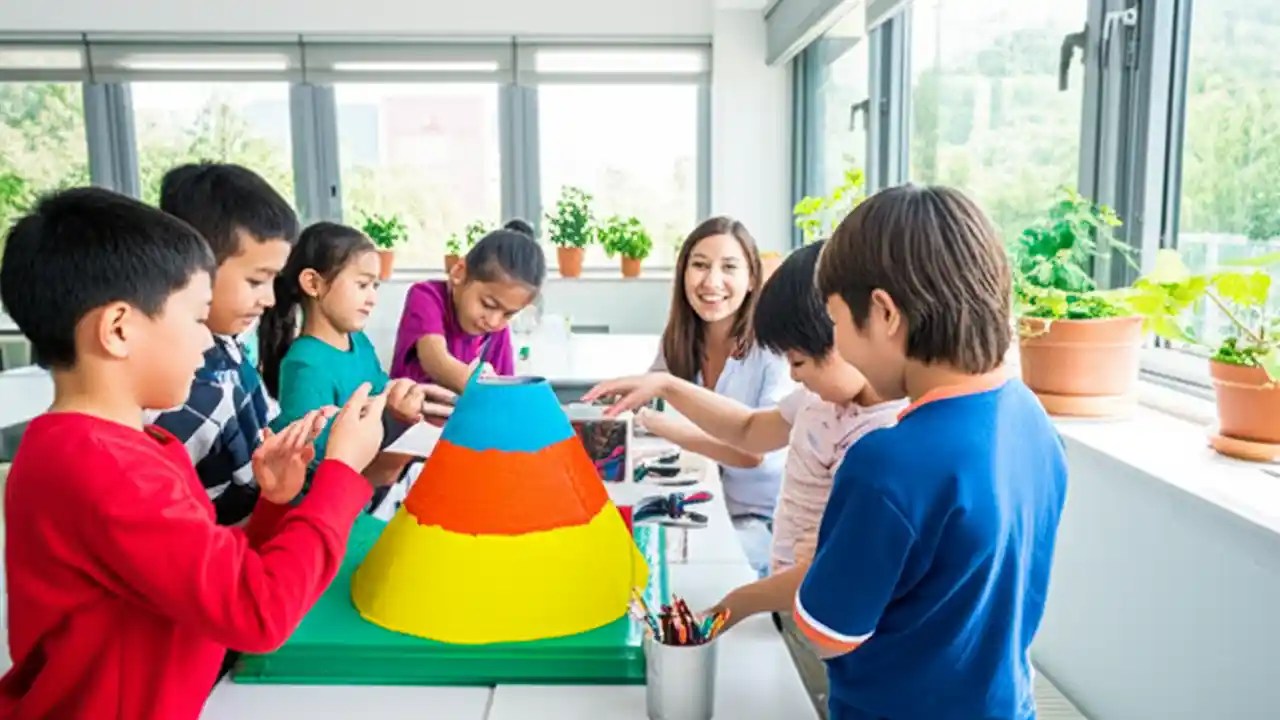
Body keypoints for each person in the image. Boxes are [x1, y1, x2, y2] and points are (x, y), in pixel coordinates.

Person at [0, 187, 393, 719]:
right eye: (195, 319)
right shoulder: (103, 467)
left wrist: (275, 505)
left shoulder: (136, 447)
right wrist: (345, 472)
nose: (208, 345)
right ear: (119, 329)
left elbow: (200, 576)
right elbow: (258, 612)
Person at [795, 185, 1068, 720]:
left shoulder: (888, 462)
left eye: (834, 323)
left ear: (884, 313)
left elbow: (825, 634)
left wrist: (818, 561)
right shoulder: (1031, 417)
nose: (838, 347)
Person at [583, 241, 904, 695]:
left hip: (830, 625)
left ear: (849, 332)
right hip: (792, 605)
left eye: (798, 361)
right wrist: (667, 386)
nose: (793, 375)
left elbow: (830, 570)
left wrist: (733, 605)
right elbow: (750, 428)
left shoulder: (882, 440)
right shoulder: (821, 400)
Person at [257, 221, 456, 508]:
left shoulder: (358, 342)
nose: (372, 298)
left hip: (372, 482)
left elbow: (379, 391)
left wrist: (406, 395)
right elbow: (313, 461)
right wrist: (391, 421)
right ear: (314, 284)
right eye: (362, 285)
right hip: (336, 503)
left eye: (374, 286)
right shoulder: (305, 364)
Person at [146, 162, 299, 527]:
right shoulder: (188, 390)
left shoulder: (228, 346)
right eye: (257, 280)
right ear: (194, 270)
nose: (270, 299)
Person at [640, 216, 793, 577]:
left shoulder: (772, 350)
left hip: (761, 521)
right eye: (700, 266)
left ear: (752, 279)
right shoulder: (678, 340)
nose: (711, 282)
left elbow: (753, 453)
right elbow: (648, 398)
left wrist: (664, 426)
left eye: (729, 268)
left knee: (690, 578)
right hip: (704, 504)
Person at [390, 228, 546, 392]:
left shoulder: (498, 331)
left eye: (508, 314)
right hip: (413, 415)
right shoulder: (427, 296)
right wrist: (488, 392)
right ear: (459, 273)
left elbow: (506, 387)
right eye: (488, 304)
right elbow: (435, 360)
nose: (493, 321)